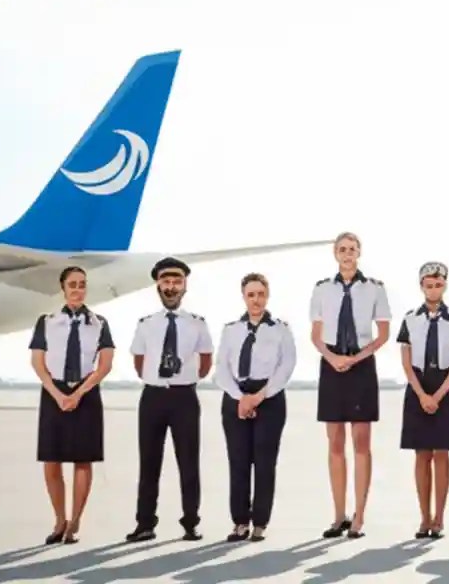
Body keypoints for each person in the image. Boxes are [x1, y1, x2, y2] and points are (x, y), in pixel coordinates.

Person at [310, 231, 392, 539]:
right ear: (335, 253)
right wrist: (332, 358)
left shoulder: (374, 288)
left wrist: (355, 359)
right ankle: (338, 515)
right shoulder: (322, 289)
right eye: (342, 249)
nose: (347, 254)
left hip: (361, 365)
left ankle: (359, 515)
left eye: (352, 249)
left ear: (359, 253)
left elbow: (383, 334)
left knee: (361, 442)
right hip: (332, 365)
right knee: (334, 443)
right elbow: (316, 335)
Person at [125, 256, 212, 543]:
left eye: (177, 281)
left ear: (185, 286)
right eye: (166, 281)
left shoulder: (197, 323)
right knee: (149, 463)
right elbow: (139, 361)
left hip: (184, 397)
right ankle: (145, 523)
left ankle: (191, 522)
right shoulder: (146, 324)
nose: (171, 287)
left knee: (189, 463)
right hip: (153, 397)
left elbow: (205, 361)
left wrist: (184, 379)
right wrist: (156, 379)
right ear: (158, 286)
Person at [30, 265, 115, 545]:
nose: (78, 289)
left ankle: (75, 520)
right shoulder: (47, 321)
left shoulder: (99, 323)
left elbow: (104, 365)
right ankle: (59, 520)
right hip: (53, 392)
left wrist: (78, 394)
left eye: (82, 284)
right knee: (51, 460)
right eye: (73, 285)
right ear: (63, 288)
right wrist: (58, 394)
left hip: (86, 393)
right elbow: (38, 363)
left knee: (83, 459)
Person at [215, 273, 297, 543]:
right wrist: (241, 398)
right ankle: (240, 521)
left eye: (261, 294)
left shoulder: (281, 329)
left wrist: (259, 396)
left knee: (264, 463)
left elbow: (286, 366)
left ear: (267, 296)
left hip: (269, 399)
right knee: (238, 461)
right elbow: (221, 369)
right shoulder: (231, 330)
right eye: (251, 295)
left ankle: (260, 522)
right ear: (244, 297)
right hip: (236, 397)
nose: (256, 300)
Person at [397, 261, 449, 539]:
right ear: (421, 286)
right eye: (429, 285)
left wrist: (438, 395)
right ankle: (424, 517)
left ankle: (439, 517)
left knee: (442, 453)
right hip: (418, 385)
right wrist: (421, 394)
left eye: (438, 284)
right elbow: (406, 360)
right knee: (421, 453)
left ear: (445, 285)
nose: (434, 289)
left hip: (445, 387)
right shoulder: (410, 318)